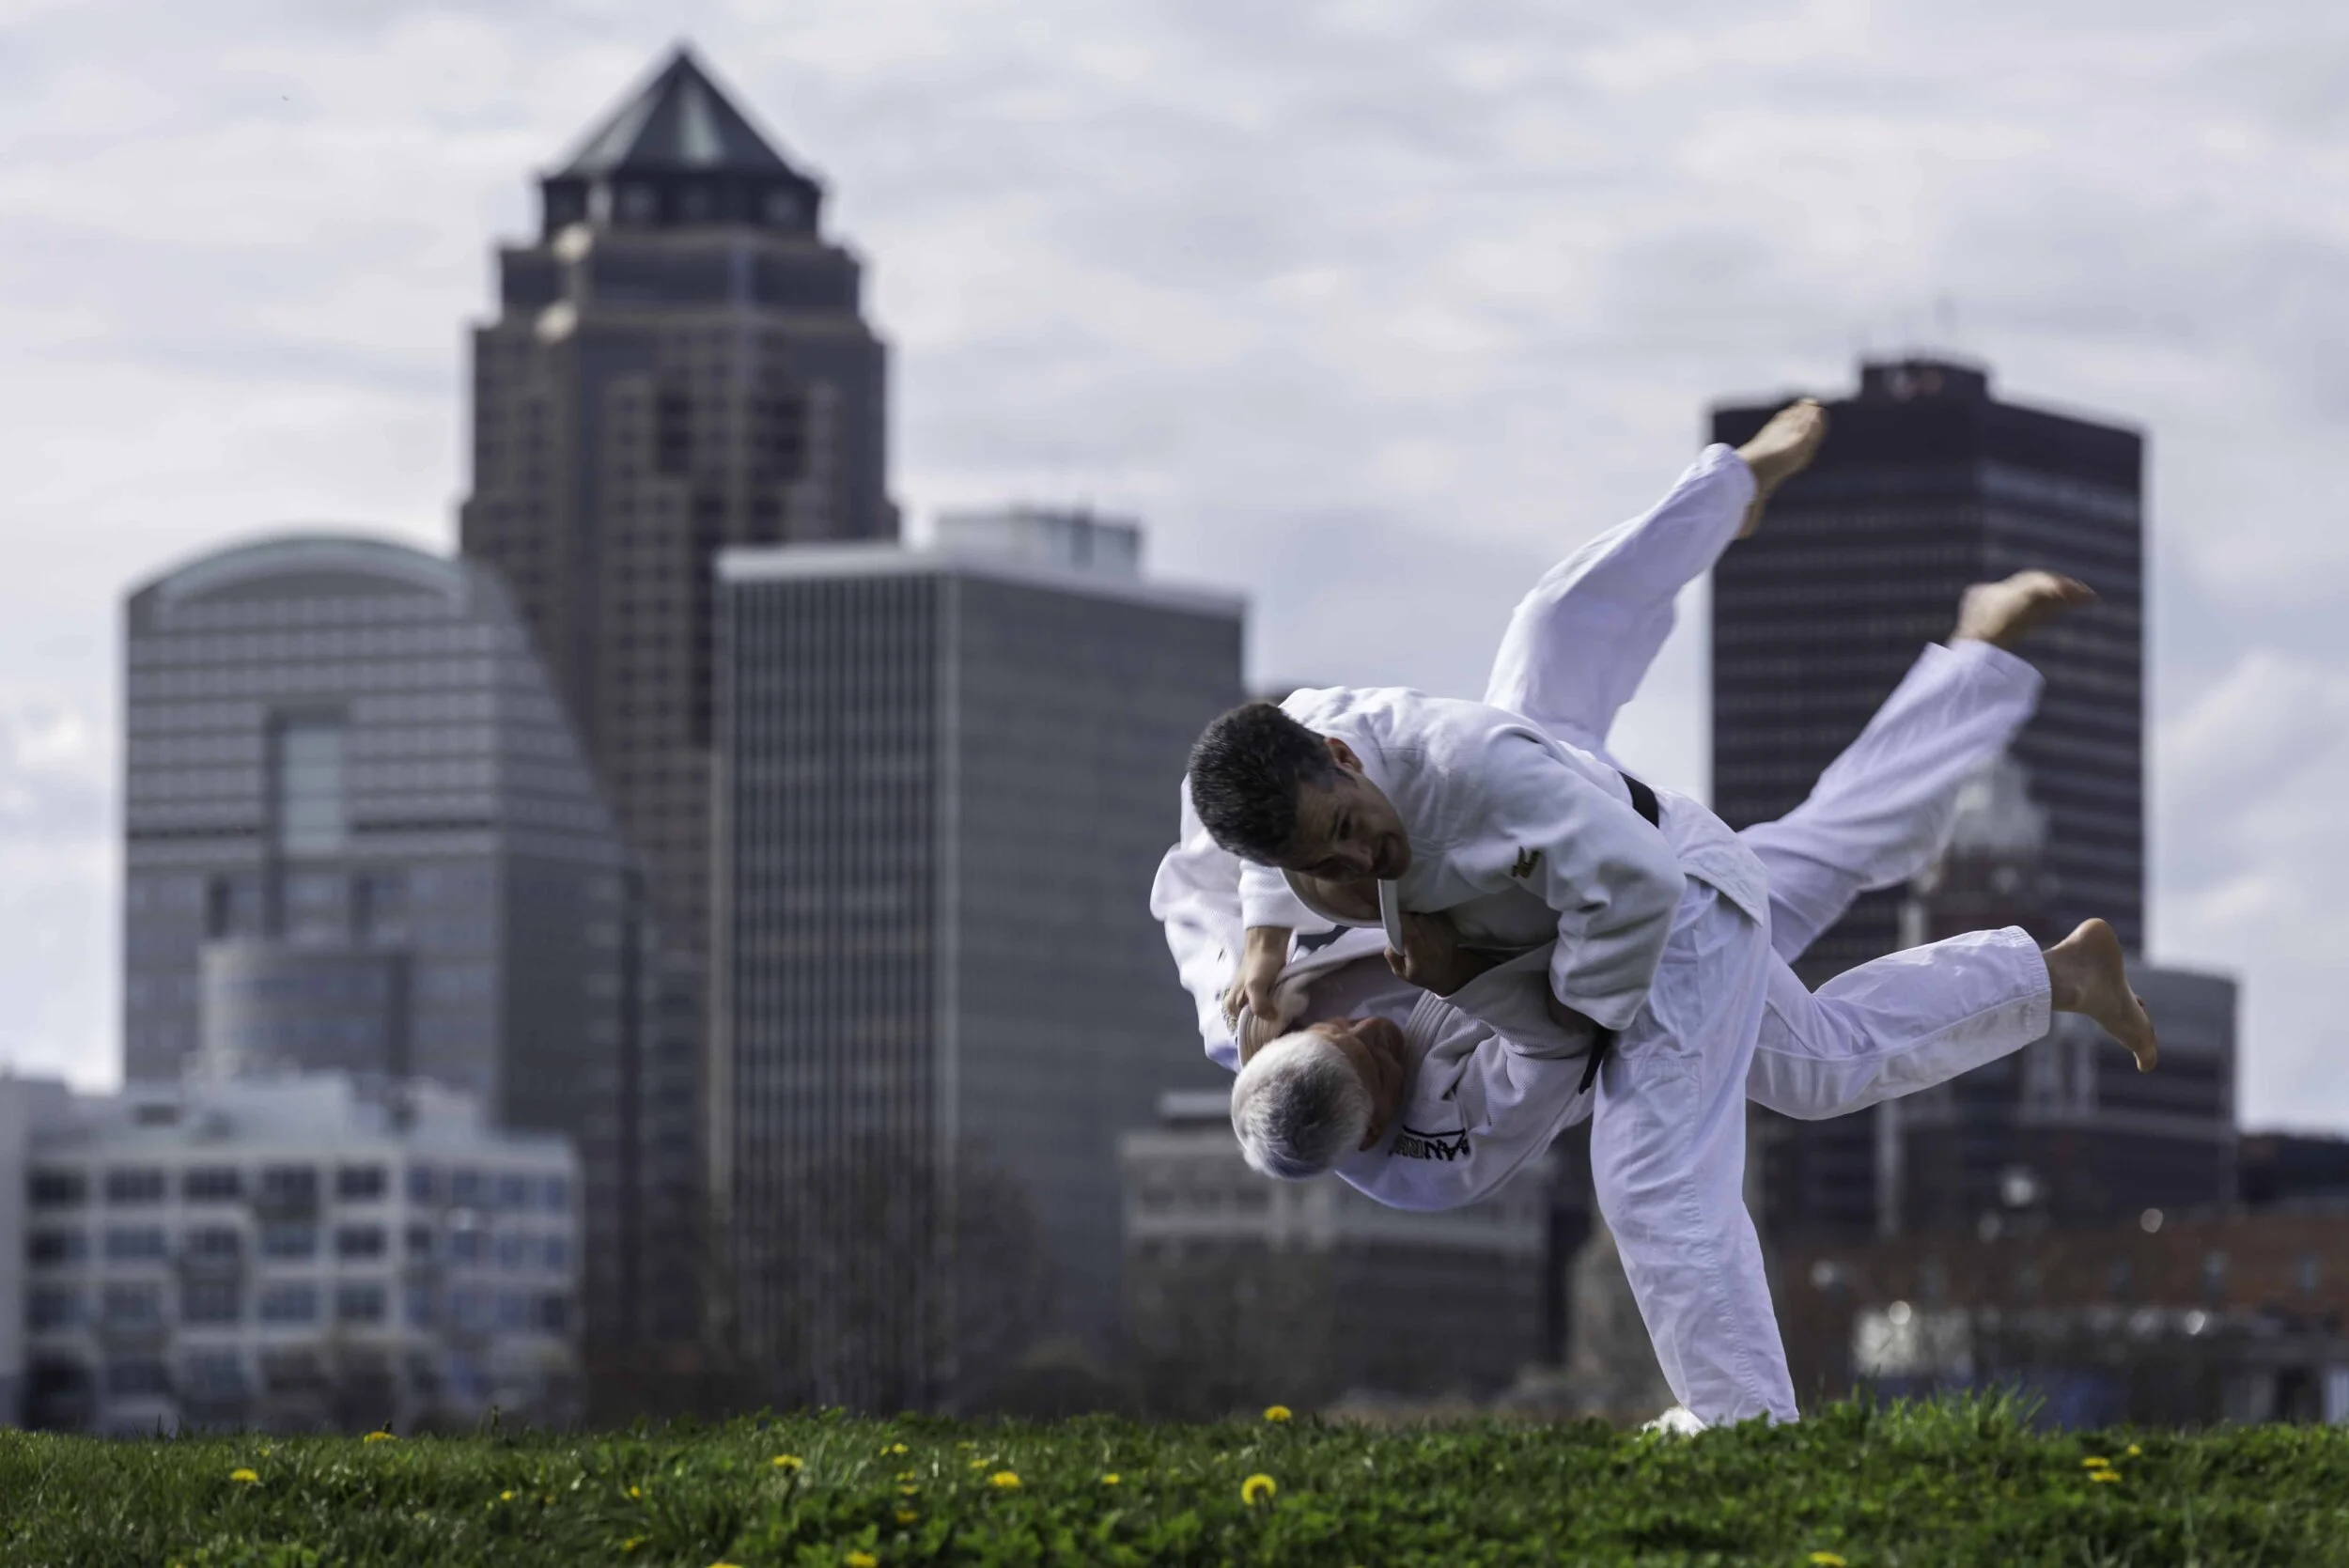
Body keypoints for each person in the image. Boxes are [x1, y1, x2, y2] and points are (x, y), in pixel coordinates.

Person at [1155, 410, 2155, 1425]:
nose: (1377, 1034)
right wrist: (1464, 980)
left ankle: (1748, 1429)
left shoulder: (1272, 943)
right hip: (1594, 942)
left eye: (1351, 1034)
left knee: (1675, 1163)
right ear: (1371, 1136)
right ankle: (1981, 688)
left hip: (1617, 862)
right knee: (1808, 894)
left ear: (1290, 1029)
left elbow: (1213, 831)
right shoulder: (1427, 1161)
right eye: (1381, 1070)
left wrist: (1271, 925)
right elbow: (1563, 1051)